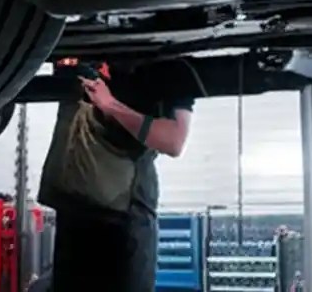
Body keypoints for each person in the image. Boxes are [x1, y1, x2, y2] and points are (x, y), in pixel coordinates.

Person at [38, 58, 201, 292]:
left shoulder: (168, 64)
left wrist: (111, 105)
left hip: (121, 221)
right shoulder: (88, 48)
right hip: (73, 210)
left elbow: (174, 141)